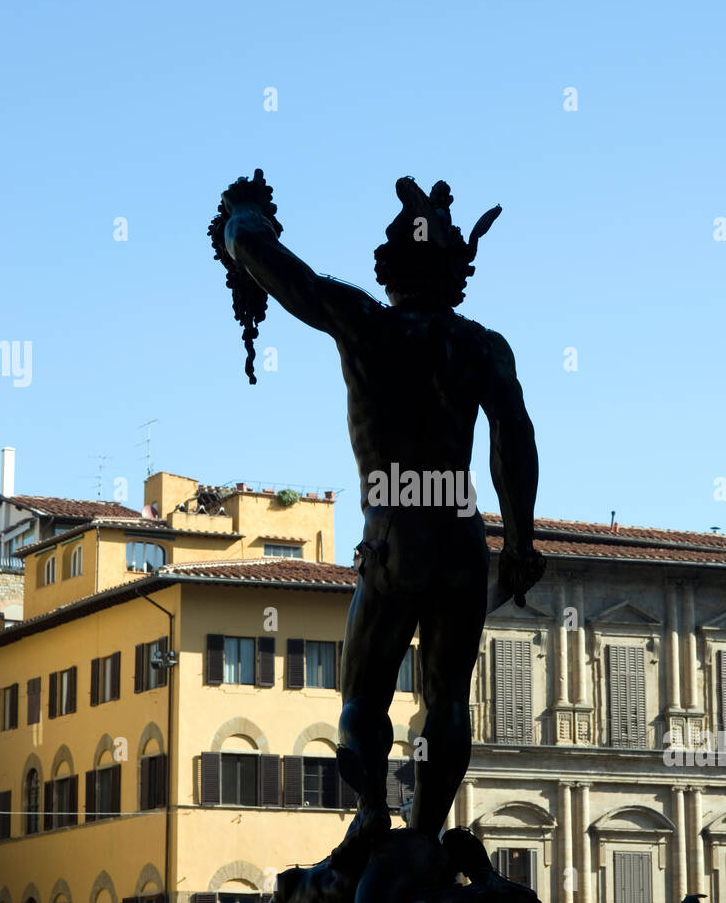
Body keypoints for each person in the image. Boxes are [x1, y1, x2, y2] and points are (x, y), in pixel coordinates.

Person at [218, 172, 545, 846]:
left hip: (393, 533)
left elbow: (276, 266)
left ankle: (369, 814)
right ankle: (424, 834)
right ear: (457, 272)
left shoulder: (364, 323)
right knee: (446, 699)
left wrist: (243, 220)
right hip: (459, 536)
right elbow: (514, 441)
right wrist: (518, 543)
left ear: (389, 269)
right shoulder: (483, 346)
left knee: (362, 697)